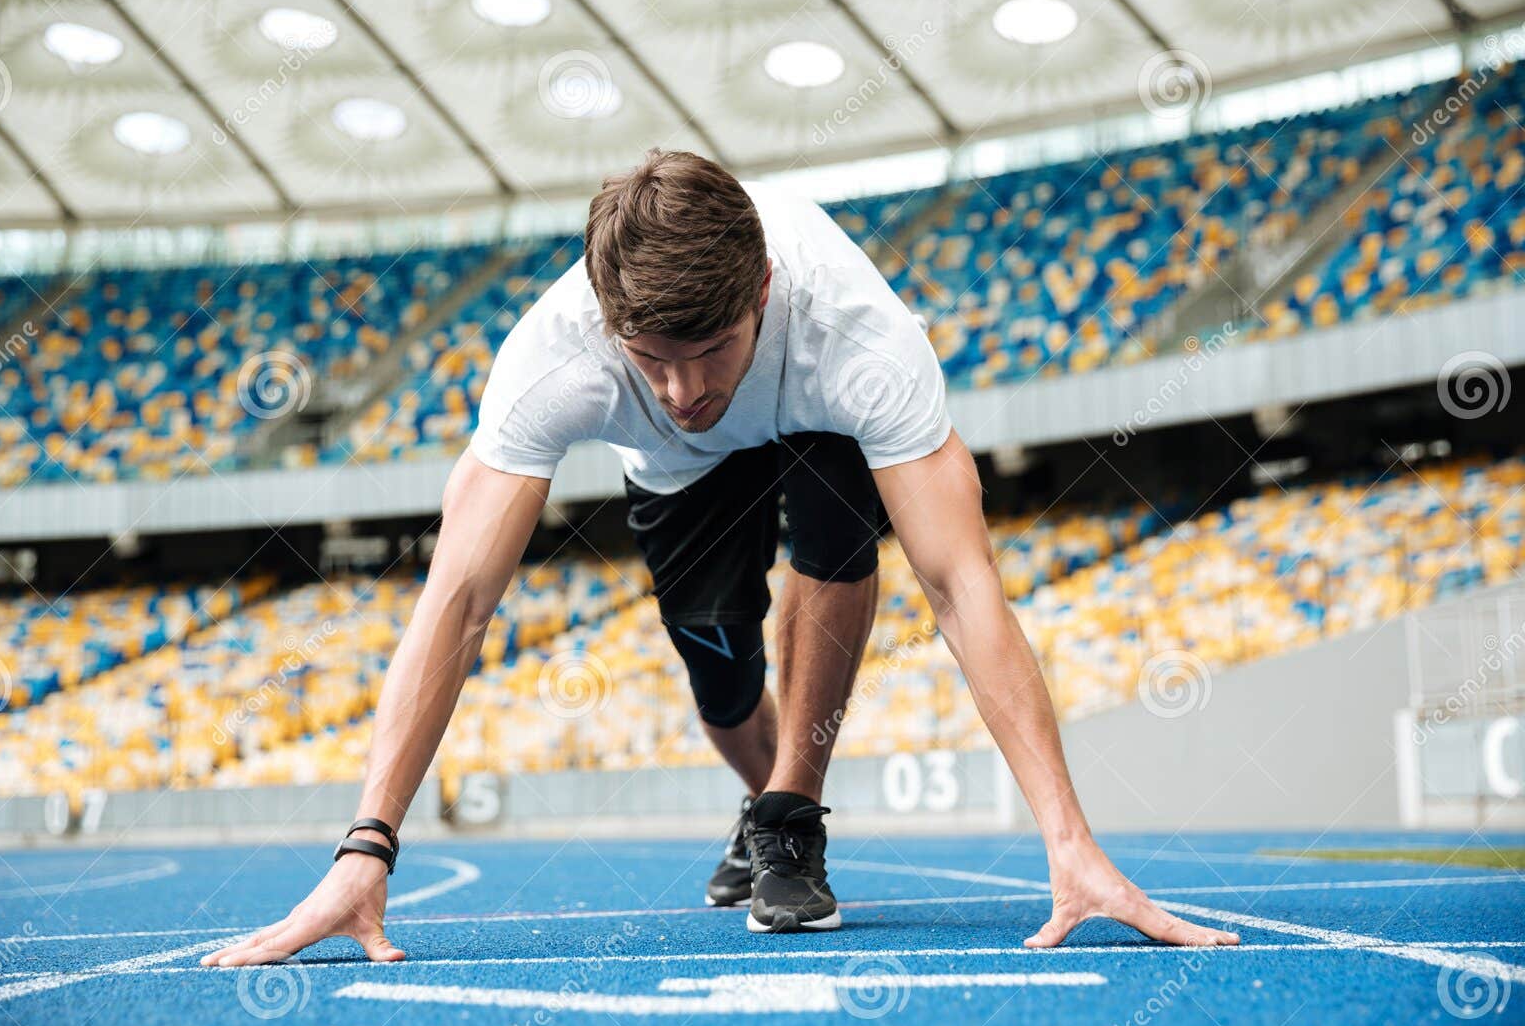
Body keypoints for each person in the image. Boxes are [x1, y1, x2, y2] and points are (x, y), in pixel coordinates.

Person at [202, 150, 1239, 966]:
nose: (687, 388)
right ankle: (760, 798)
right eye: (651, 360)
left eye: (711, 353)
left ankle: (790, 816)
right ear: (609, 325)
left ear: (765, 293)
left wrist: (1068, 840)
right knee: (718, 666)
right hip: (670, 477)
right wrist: (365, 846)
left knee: (839, 532)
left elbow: (960, 584)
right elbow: (460, 597)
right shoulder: (553, 355)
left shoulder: (858, 335)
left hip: (816, 418)